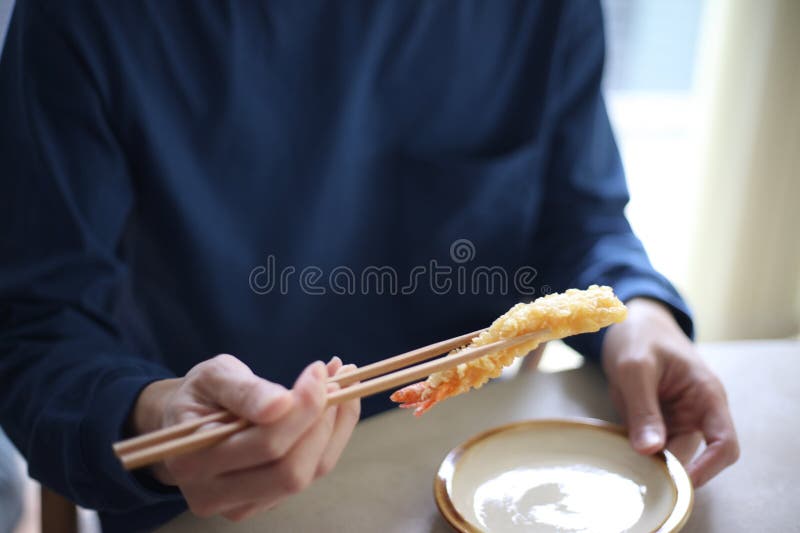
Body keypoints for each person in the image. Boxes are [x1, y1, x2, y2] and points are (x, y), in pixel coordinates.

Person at [0, 1, 738, 531]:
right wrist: (157, 415)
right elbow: (37, 329)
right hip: (200, 495)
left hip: (471, 474)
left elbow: (579, 219)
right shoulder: (86, 19)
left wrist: (641, 315)